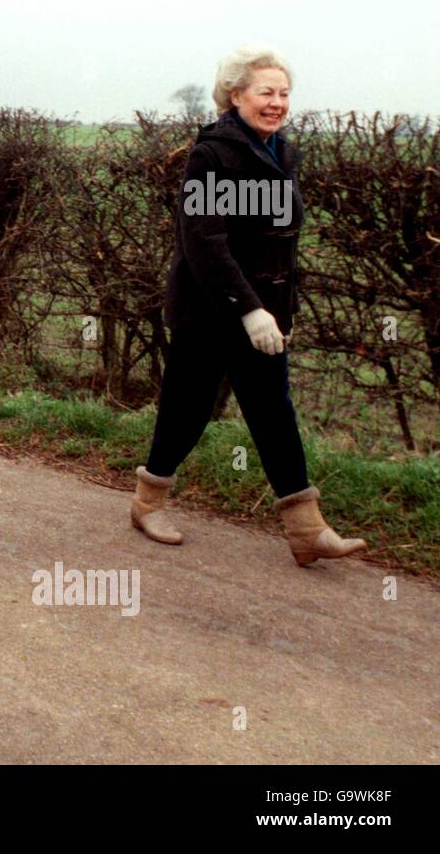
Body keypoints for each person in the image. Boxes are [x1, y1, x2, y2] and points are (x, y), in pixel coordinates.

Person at [131, 45, 365, 565]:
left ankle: (307, 530)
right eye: (266, 92)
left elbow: (282, 242)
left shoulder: (282, 153)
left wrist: (279, 311)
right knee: (187, 409)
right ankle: (148, 504)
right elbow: (204, 241)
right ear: (235, 96)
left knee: (273, 410)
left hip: (264, 315)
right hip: (209, 311)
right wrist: (249, 308)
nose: (277, 102)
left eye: (284, 93)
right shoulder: (209, 156)